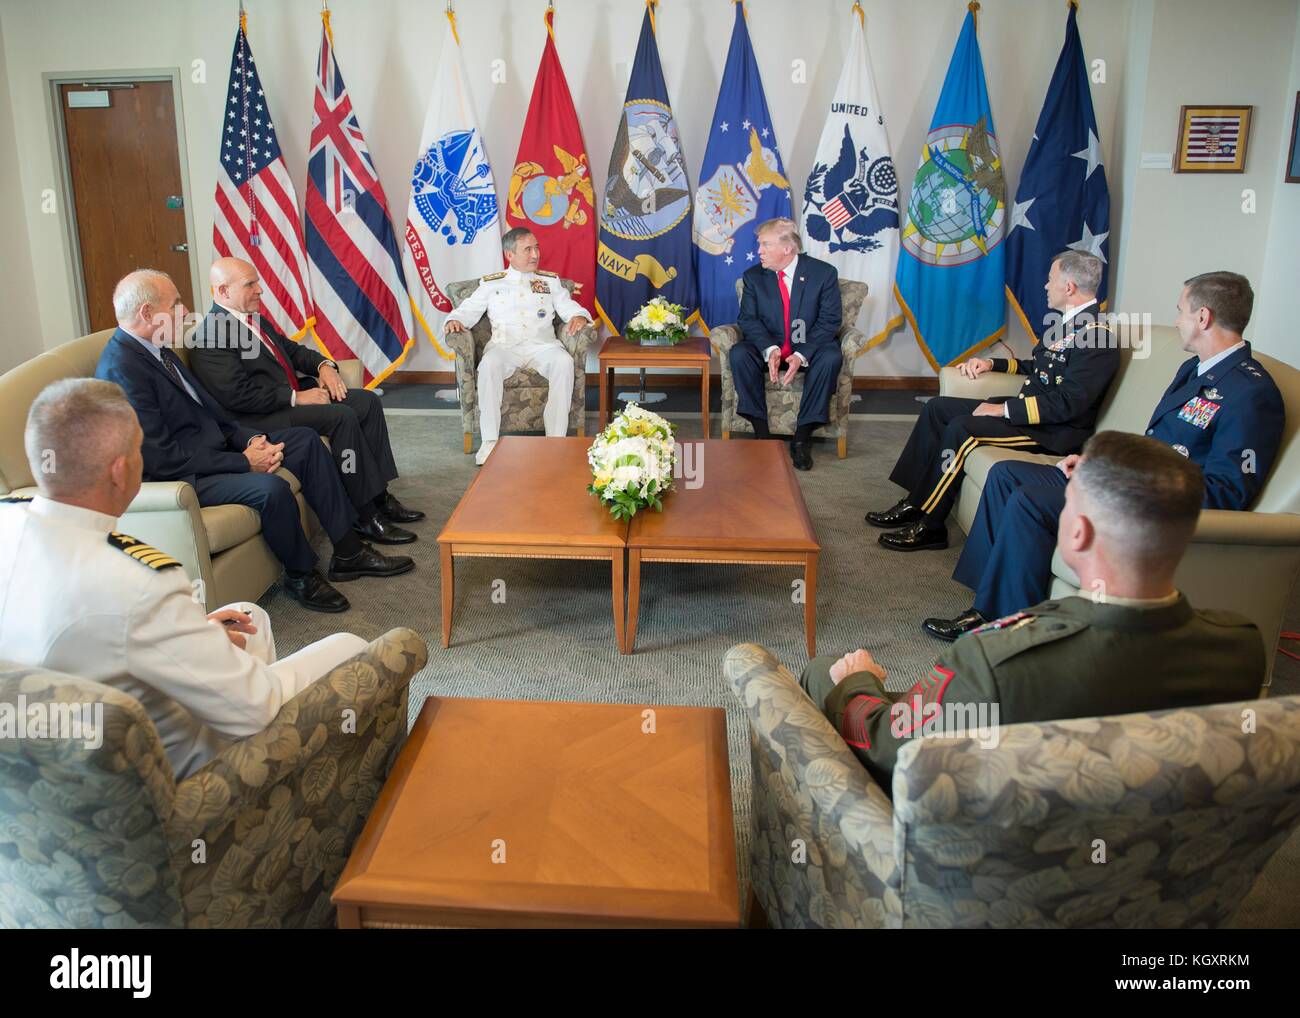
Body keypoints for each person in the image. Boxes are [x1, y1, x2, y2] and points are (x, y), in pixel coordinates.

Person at [800, 431, 1265, 792]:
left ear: (1077, 533)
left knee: (825, 673)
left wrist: (861, 682)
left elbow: (887, 746)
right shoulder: (1242, 647)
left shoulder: (994, 661)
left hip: (972, 866)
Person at [0, 378, 373, 779]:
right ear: (122, 470)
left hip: (57, 760)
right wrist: (182, 631)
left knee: (248, 618)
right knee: (350, 645)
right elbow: (254, 710)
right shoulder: (141, 584)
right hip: (179, 773)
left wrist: (188, 633)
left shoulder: (9, 521)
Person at [925, 270, 1284, 641]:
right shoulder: (1194, 368)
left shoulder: (1251, 394)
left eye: (1181, 311)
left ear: (1203, 318)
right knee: (1006, 476)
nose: (1177, 320)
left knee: (1031, 500)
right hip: (1130, 482)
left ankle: (1002, 622)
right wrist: (1104, 466)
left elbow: (1227, 492)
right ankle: (991, 601)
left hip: (1150, 507)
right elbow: (1157, 446)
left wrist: (1122, 482)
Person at [94, 269, 412, 614]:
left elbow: (212, 413)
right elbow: (160, 457)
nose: (186, 312)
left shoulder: (159, 351)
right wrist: (244, 462)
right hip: (182, 475)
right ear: (146, 314)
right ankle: (301, 575)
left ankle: (349, 551)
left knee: (306, 443)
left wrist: (253, 440)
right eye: (176, 304)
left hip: (216, 448)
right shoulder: (122, 370)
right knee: (270, 489)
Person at [866, 250, 1118, 550]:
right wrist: (992, 364)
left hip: (1051, 432)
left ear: (1069, 287)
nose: (1045, 286)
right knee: (938, 408)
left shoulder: (1097, 337)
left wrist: (1004, 410)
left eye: (1050, 280)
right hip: (1029, 417)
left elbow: (1069, 403)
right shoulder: (1066, 324)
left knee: (962, 428)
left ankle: (931, 525)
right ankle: (915, 502)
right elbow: (1040, 367)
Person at [189, 257, 423, 546]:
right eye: (250, 284)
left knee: (366, 402)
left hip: (283, 405)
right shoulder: (209, 336)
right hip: (256, 419)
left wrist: (324, 365)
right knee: (340, 416)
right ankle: (364, 514)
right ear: (223, 291)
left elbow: (295, 352)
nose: (260, 290)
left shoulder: (254, 321)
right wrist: (296, 397)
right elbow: (237, 395)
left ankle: (379, 495)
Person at [444, 227, 592, 465]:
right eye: (527, 249)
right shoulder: (491, 283)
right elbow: (469, 309)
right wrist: (454, 320)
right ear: (509, 254)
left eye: (536, 248)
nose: (535, 254)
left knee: (564, 362)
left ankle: (556, 440)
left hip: (542, 346)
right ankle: (490, 441)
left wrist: (578, 316)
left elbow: (567, 306)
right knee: (489, 365)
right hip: (505, 347)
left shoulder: (549, 281)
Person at [729, 217, 843, 471]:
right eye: (760, 245)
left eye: (765, 245)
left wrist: (802, 354)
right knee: (739, 353)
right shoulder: (754, 277)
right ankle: (762, 434)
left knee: (831, 356)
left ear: (788, 248)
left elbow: (829, 321)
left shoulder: (823, 274)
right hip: (770, 349)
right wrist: (771, 349)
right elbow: (748, 319)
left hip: (809, 350)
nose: (759, 251)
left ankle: (802, 438)